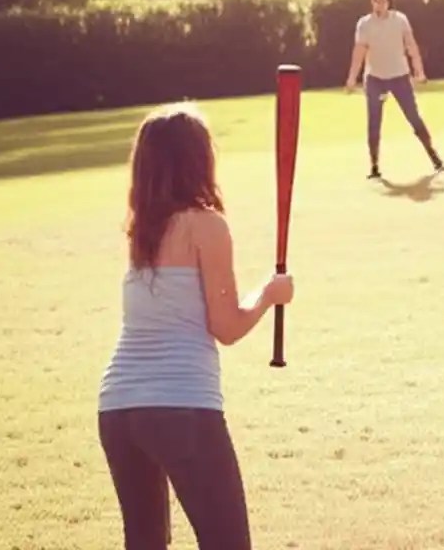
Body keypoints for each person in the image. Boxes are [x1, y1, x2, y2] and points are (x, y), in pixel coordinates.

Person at [98, 102, 296, 550]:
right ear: (197, 160)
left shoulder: (141, 233)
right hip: (181, 406)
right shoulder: (206, 226)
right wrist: (270, 294)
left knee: (145, 542)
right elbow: (226, 327)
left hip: (117, 408)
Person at [345, 0, 444, 179]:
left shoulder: (400, 20)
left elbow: (411, 45)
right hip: (375, 79)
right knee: (374, 123)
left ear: (388, 0)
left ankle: (434, 157)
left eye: (384, 1)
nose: (381, 5)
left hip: (399, 76)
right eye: (377, 1)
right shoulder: (364, 25)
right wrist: (351, 78)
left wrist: (419, 70)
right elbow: (359, 53)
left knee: (413, 117)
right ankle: (374, 166)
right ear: (371, 2)